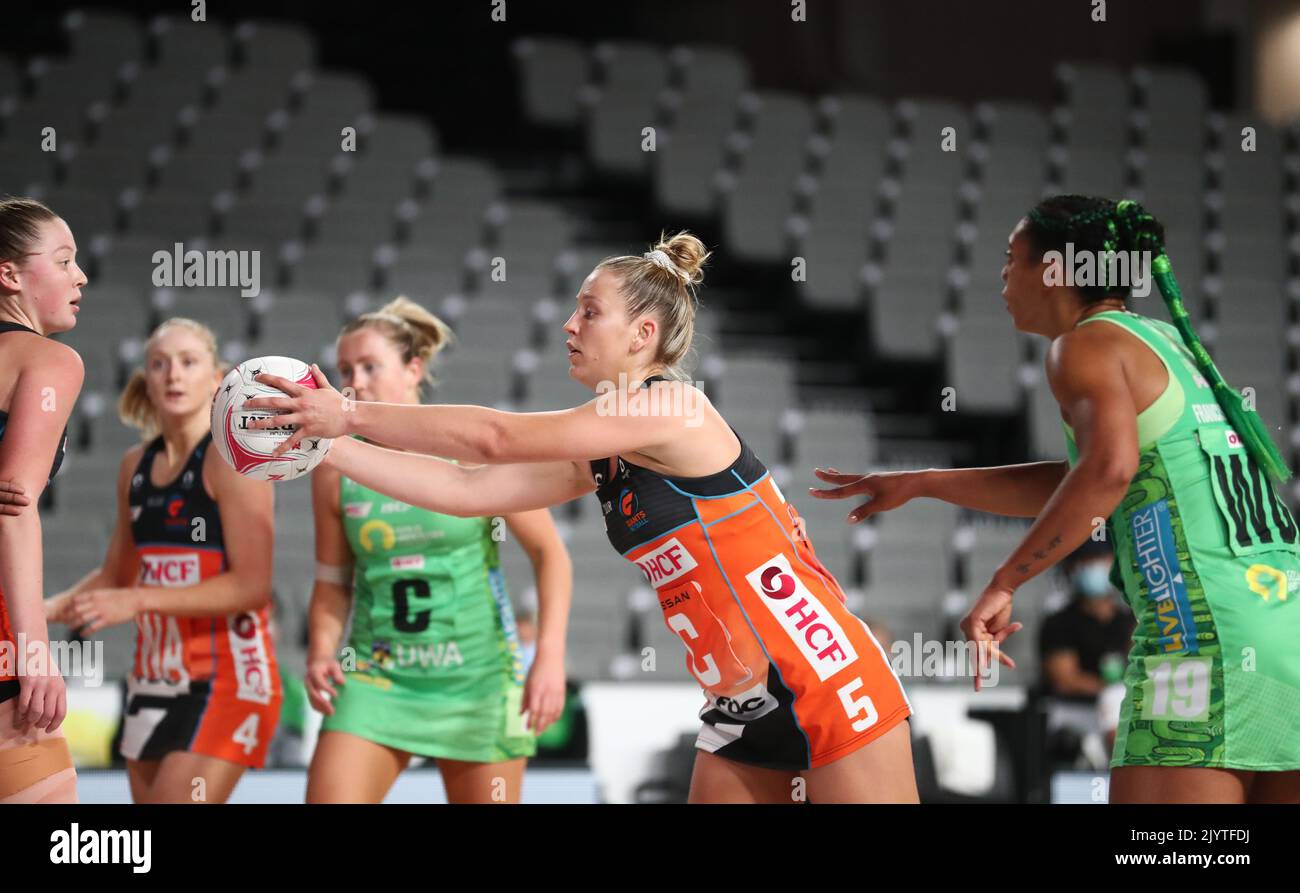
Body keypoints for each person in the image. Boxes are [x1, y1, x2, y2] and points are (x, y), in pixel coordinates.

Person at [246, 233, 918, 804]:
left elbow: (493, 439)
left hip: (825, 675)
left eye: (589, 311)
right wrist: (327, 447)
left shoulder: (671, 409)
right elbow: (465, 487)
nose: (570, 325)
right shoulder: (608, 450)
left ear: (643, 335)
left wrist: (351, 414)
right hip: (740, 703)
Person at [811, 196, 1300, 804]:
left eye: (1011, 259)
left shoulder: (1084, 346)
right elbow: (1087, 475)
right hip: (1281, 625)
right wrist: (925, 482)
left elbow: (1107, 473)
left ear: (1055, 273)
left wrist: (1006, 580)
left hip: (1203, 634)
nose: (1002, 276)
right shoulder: (1160, 339)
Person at [304, 297, 571, 804]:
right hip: (377, 676)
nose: (354, 380)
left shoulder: (466, 445)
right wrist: (321, 649)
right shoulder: (334, 465)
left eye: (369, 366)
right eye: (344, 369)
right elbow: (332, 582)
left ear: (413, 369)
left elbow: (550, 554)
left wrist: (550, 656)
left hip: (477, 678)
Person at [45, 317, 282, 803]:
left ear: (217, 378)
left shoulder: (234, 459)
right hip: (153, 681)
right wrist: (34, 611)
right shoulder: (134, 465)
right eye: (160, 364)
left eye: (188, 362)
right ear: (146, 380)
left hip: (230, 680)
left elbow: (251, 587)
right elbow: (115, 577)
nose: (173, 374)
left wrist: (136, 600)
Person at [0, 197, 84, 804]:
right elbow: (14, 506)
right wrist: (34, 652)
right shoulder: (50, 362)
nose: (80, 276)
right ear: (10, 275)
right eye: (63, 260)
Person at [1039, 540, 1134, 700]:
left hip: (1122, 708)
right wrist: (1113, 692)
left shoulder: (1129, 619)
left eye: (1101, 558)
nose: (1094, 565)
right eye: (1086, 560)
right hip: (1075, 712)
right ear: (1072, 568)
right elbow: (1065, 681)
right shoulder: (1059, 622)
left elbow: (1142, 666)